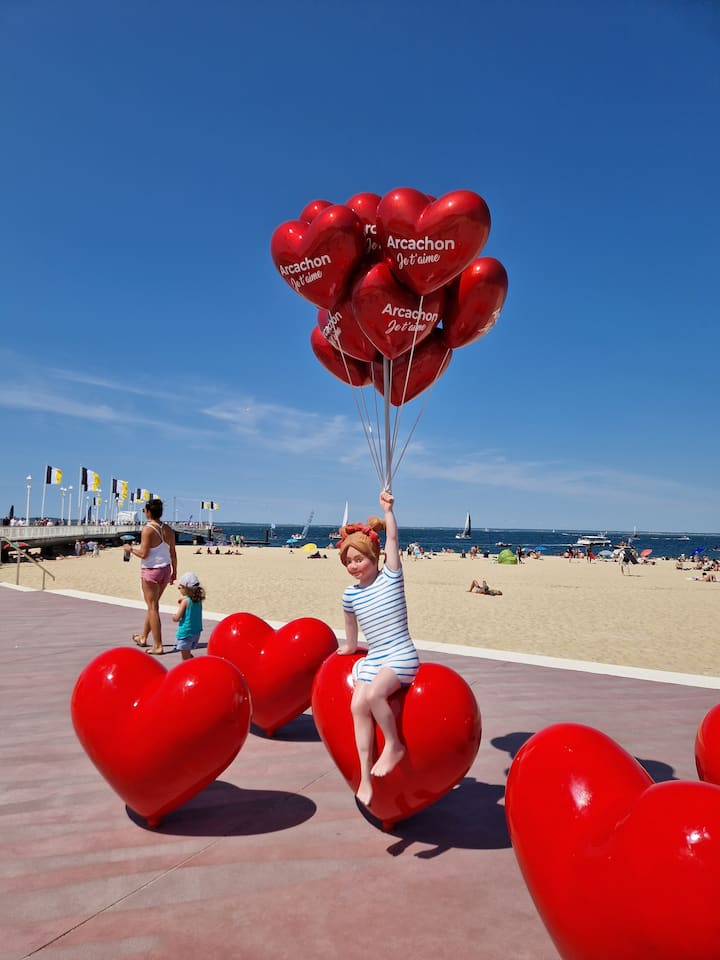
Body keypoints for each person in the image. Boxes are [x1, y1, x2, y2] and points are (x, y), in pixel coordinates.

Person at [337, 490, 419, 807]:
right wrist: (349, 647)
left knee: (373, 695)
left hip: (400, 655)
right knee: (357, 706)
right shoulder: (350, 595)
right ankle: (365, 778)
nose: (354, 566)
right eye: (348, 562)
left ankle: (395, 745)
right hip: (374, 658)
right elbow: (350, 624)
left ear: (374, 556)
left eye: (358, 559)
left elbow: (395, 540)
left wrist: (388, 511)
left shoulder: (391, 578)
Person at [127, 498, 177, 653]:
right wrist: (175, 572)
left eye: (144, 510)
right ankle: (143, 637)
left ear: (148, 512)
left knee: (153, 607)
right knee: (153, 606)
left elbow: (143, 554)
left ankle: (158, 645)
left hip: (151, 571)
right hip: (165, 569)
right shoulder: (168, 529)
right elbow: (173, 553)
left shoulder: (147, 529)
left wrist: (130, 549)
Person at [172, 572, 205, 659]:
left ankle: (190, 667)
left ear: (185, 588)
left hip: (186, 633)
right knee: (188, 653)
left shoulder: (185, 602)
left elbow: (177, 617)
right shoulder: (198, 600)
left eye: (180, 587)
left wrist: (174, 617)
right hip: (196, 632)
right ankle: (192, 661)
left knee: (185, 658)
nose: (179, 590)